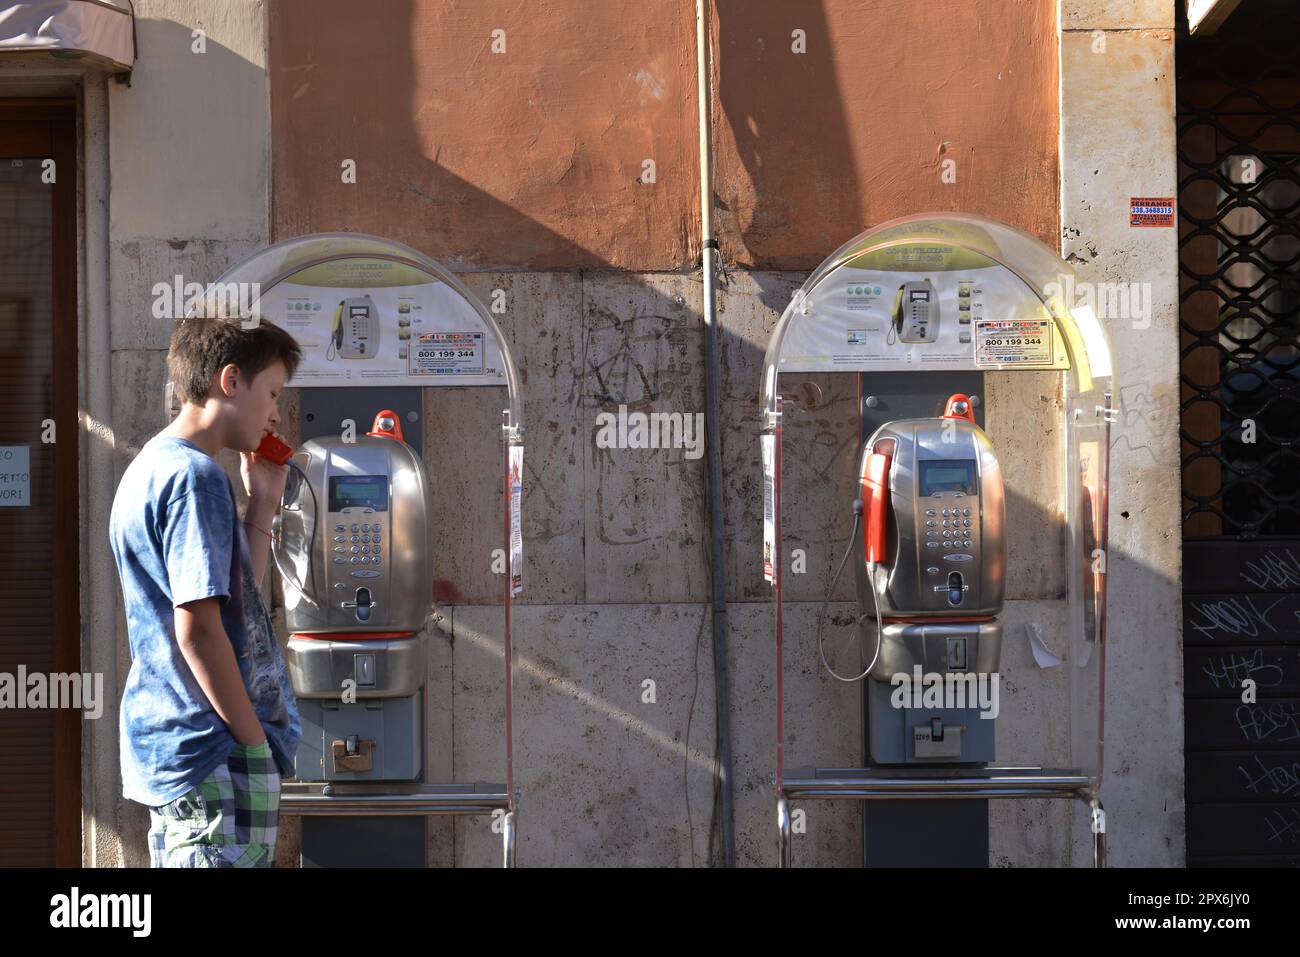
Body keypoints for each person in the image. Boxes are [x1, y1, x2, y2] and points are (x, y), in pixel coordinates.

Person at [109, 315, 303, 867]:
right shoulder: (196, 478)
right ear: (230, 381)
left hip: (182, 749)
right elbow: (197, 629)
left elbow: (232, 607)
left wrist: (263, 502)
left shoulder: (151, 468)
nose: (274, 414)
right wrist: (253, 742)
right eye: (272, 392)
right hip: (213, 750)